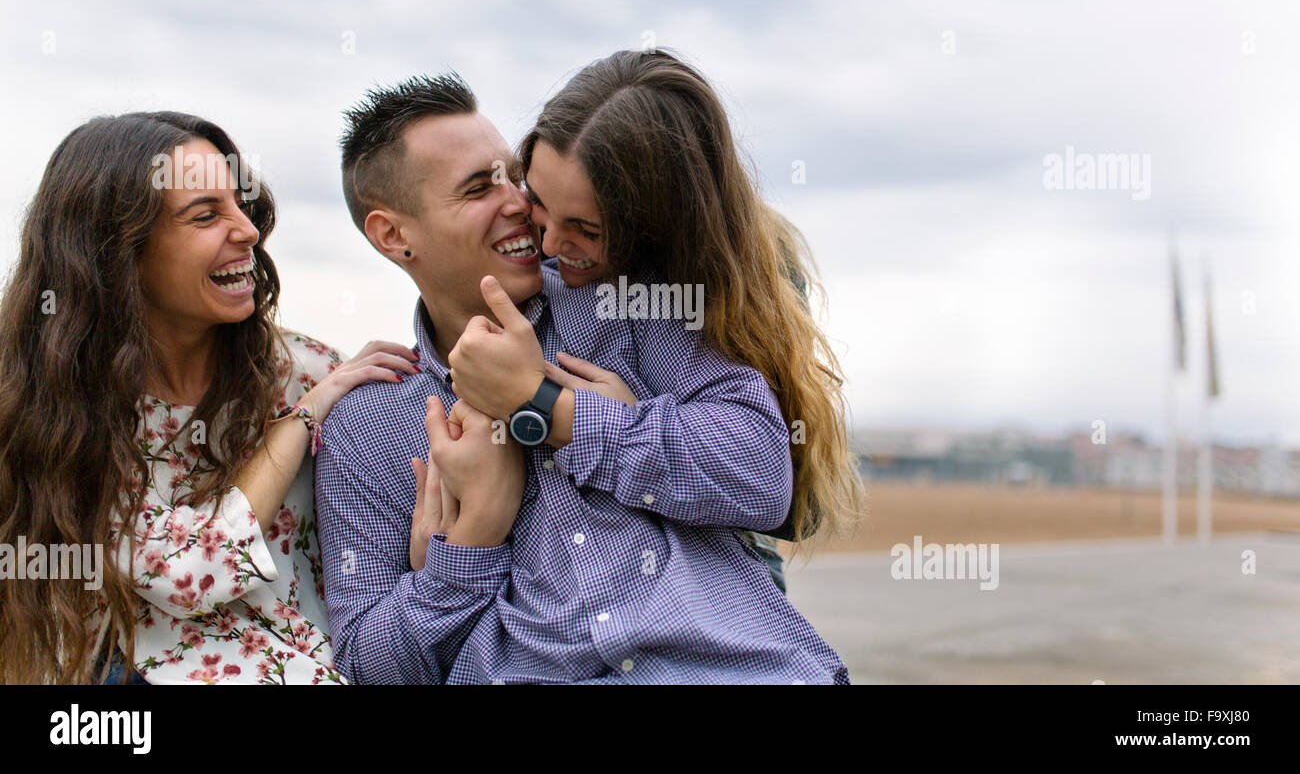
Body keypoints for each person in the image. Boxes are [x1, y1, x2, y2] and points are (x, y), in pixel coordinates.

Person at [316, 74, 851, 684]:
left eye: (510, 176)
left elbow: (761, 476)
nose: (517, 203)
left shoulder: (617, 296)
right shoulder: (368, 427)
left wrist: (554, 410)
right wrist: (467, 547)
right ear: (393, 234)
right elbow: (368, 668)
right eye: (475, 190)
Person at [0, 112, 415, 684]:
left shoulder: (313, 372)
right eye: (206, 215)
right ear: (119, 253)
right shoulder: (66, 413)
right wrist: (296, 424)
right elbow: (193, 571)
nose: (246, 230)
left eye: (240, 206)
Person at [450, 49, 864, 594]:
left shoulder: (753, 279)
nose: (548, 245)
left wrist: (611, 415)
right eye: (539, 200)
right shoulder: (544, 271)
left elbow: (782, 502)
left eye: (588, 231)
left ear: (660, 227)